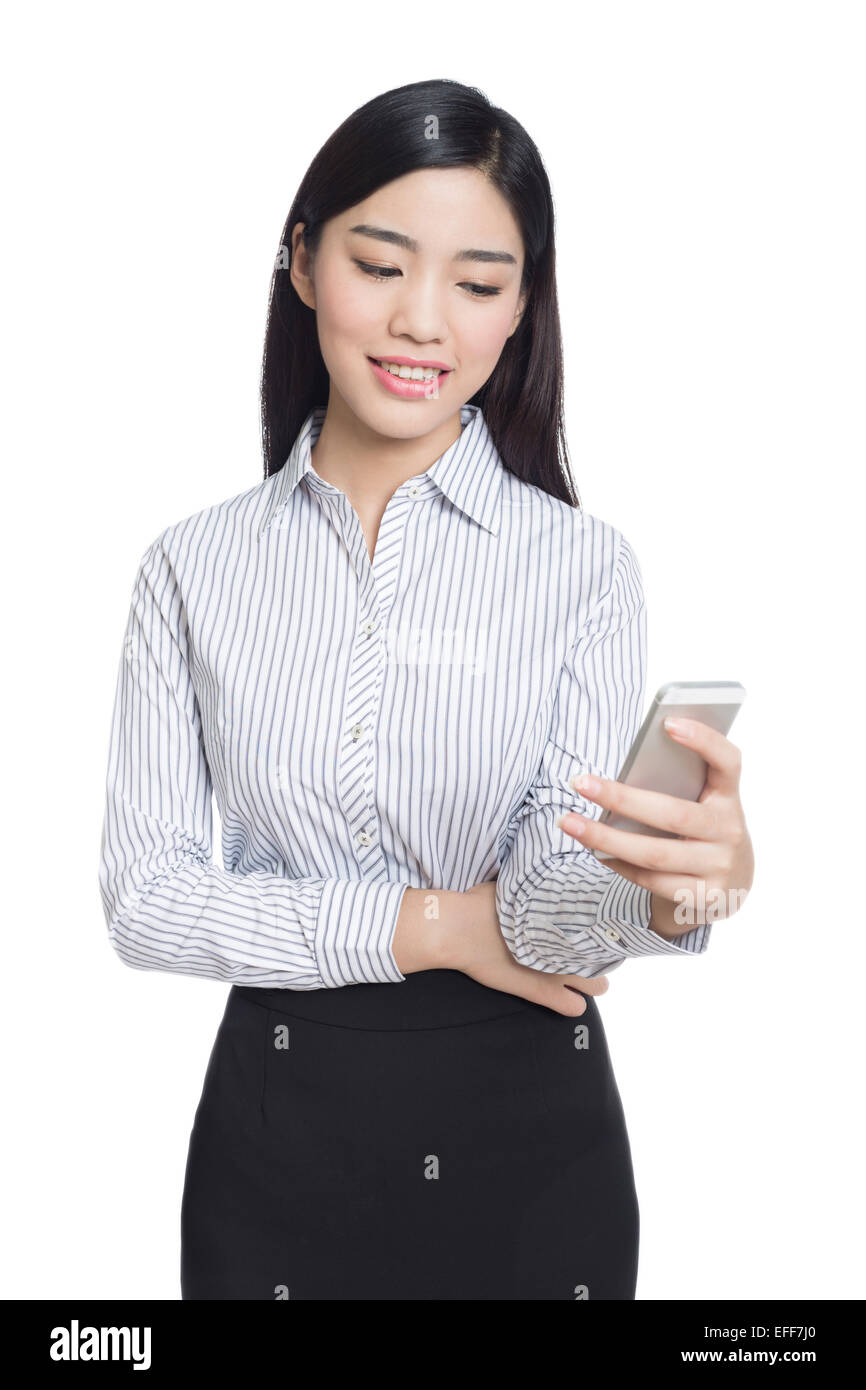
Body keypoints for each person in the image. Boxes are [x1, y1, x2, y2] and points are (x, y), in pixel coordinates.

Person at [98, 77, 754, 1301]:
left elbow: (555, 920)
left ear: (520, 309)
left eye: (478, 282)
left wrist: (679, 888)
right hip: (276, 1141)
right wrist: (438, 924)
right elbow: (148, 903)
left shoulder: (579, 567)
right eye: (380, 262)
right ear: (300, 262)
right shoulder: (190, 570)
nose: (422, 322)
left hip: (529, 1148)